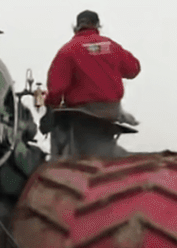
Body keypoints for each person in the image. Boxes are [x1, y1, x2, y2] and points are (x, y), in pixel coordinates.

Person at [39, 10, 141, 159]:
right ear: (97, 25)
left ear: (76, 26)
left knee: (59, 123)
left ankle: (60, 163)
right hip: (111, 110)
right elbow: (133, 69)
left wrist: (49, 106)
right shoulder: (110, 46)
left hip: (84, 112)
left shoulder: (69, 50)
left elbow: (56, 89)